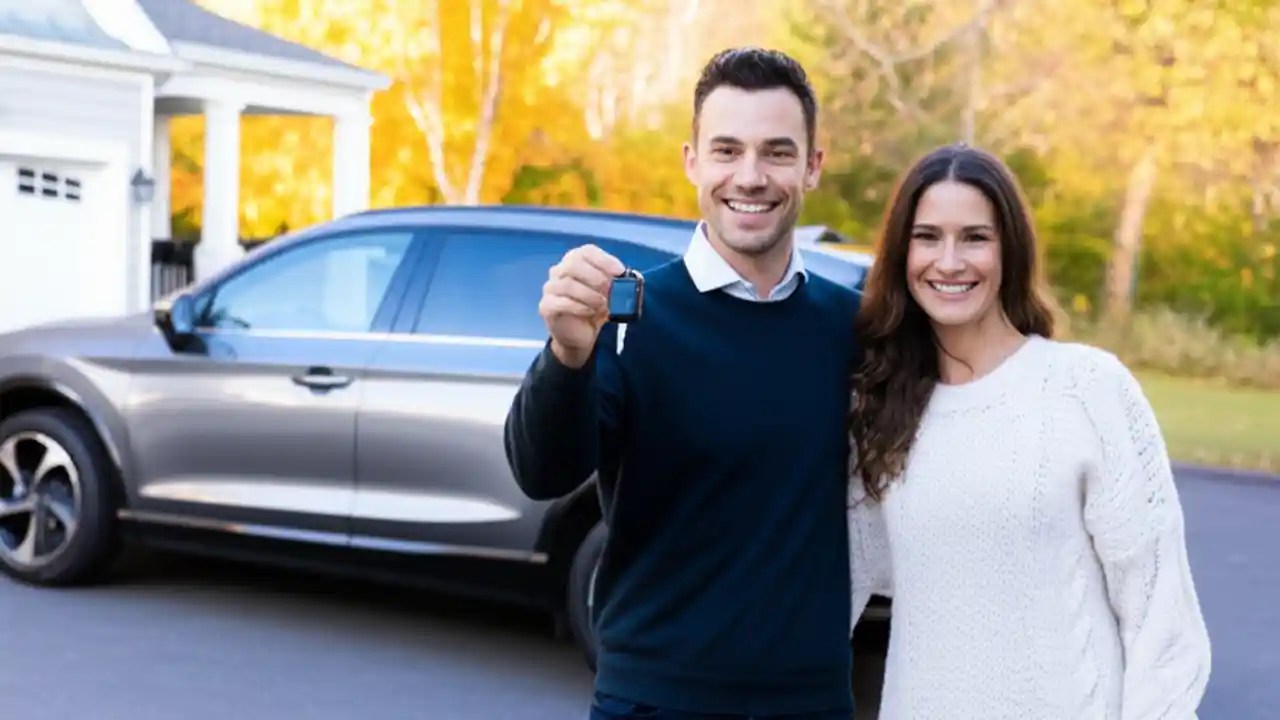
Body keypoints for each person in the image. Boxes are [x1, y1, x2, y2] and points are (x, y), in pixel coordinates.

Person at [504, 47, 862, 719]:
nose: (750, 176)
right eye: (726, 150)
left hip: (810, 702)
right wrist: (565, 353)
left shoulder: (852, 328)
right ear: (692, 161)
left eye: (777, 153)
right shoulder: (625, 316)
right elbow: (541, 471)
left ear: (813, 166)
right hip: (654, 700)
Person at [846, 143, 1212, 718]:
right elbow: (838, 580)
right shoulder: (879, 410)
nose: (949, 261)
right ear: (900, 252)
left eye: (975, 237)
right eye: (927, 237)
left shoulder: (1085, 389)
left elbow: (1158, 612)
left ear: (1010, 250)